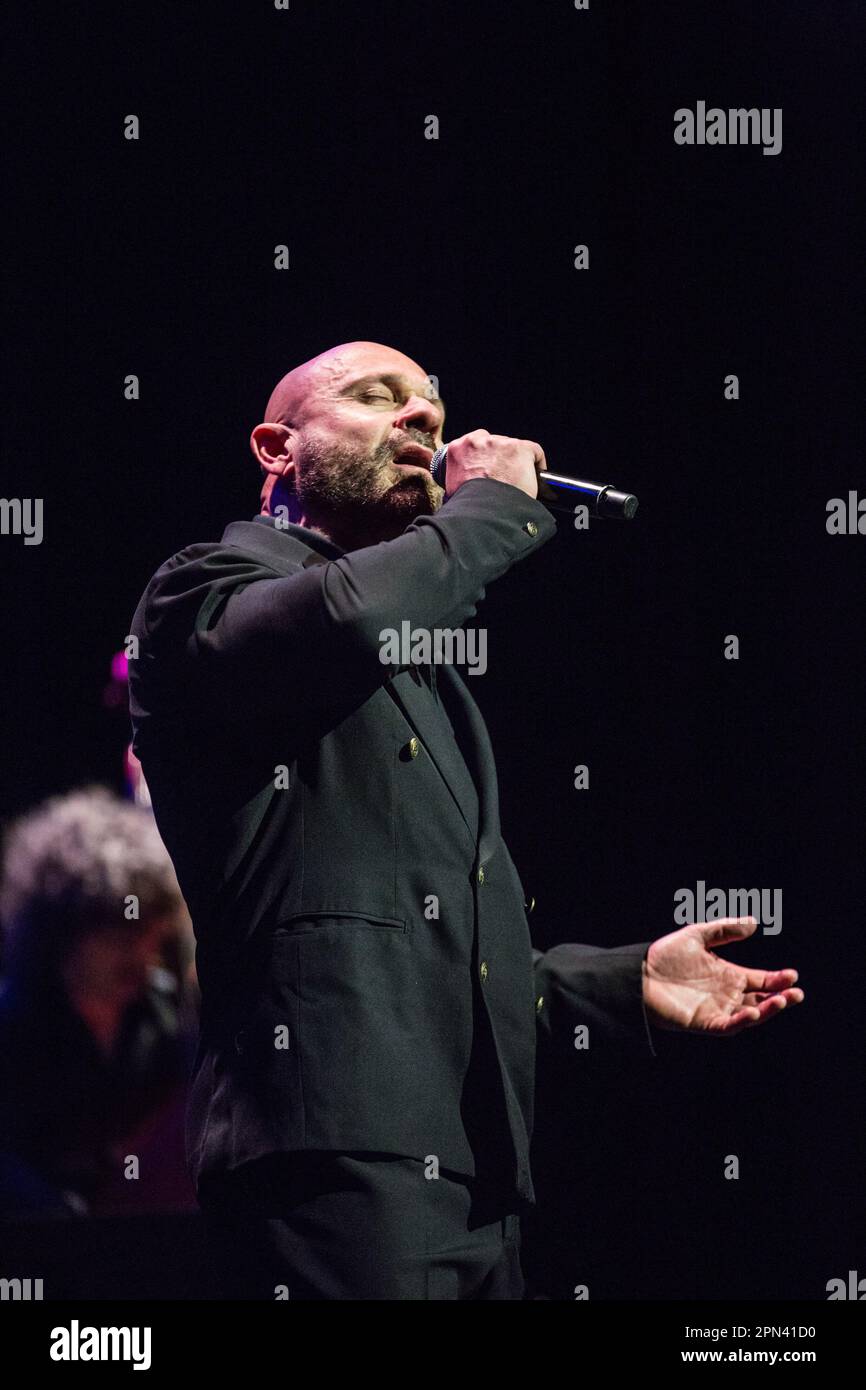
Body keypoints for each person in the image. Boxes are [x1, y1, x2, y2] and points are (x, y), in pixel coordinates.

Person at [127, 340, 803, 1299]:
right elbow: (351, 618)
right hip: (331, 1160)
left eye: (432, 408)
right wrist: (492, 506)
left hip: (476, 1173)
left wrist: (621, 982)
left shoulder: (421, 677)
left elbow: (424, 954)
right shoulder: (203, 594)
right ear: (276, 447)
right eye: (377, 398)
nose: (425, 419)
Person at [0, 787, 197, 1216]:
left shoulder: (164, 1023)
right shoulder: (13, 1029)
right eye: (125, 937)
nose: (144, 959)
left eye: (155, 938)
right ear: (63, 931)